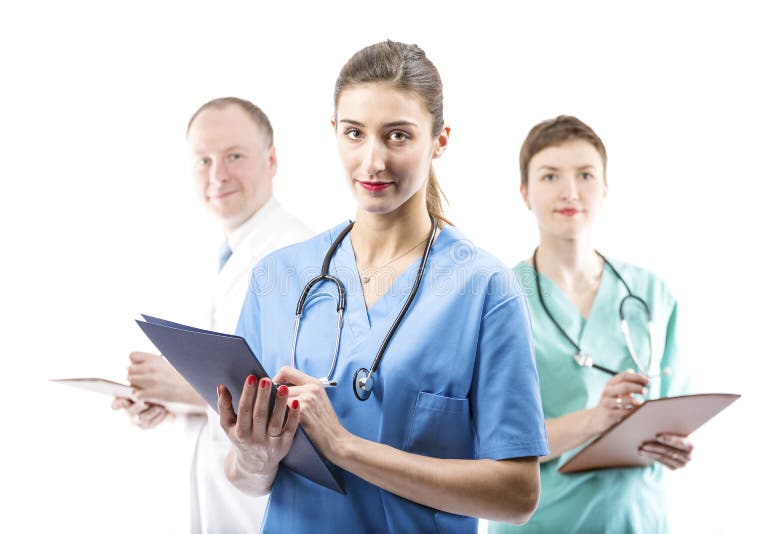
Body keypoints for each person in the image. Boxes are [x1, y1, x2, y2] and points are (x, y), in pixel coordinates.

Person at [216, 40, 550, 533]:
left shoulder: (484, 288)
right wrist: (255, 456)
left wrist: (345, 447)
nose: (372, 161)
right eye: (355, 133)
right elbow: (246, 478)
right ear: (335, 133)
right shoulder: (278, 277)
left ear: (439, 140)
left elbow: (518, 495)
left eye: (398, 136)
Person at [111, 97, 312, 533]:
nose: (217, 174)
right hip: (221, 500)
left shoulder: (292, 256)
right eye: (203, 160)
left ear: (271, 159)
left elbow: (291, 394)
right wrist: (159, 401)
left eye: (234, 156)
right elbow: (217, 371)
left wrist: (180, 387)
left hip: (266, 508)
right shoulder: (222, 252)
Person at [489, 116, 692, 534]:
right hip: (543, 521)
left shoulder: (652, 293)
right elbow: (492, 444)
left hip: (637, 518)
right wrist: (594, 420)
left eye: (585, 174)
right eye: (550, 176)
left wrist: (673, 445)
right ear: (525, 193)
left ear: (605, 188)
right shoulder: (499, 297)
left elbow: (673, 410)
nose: (570, 192)